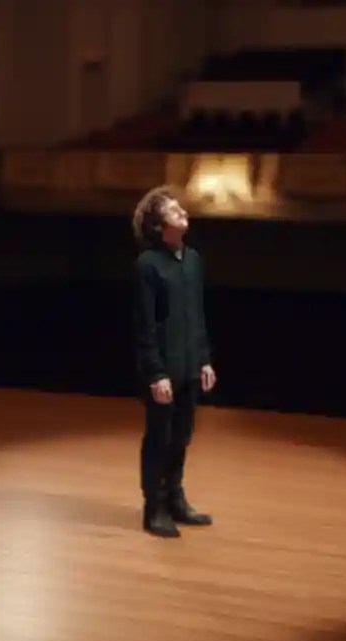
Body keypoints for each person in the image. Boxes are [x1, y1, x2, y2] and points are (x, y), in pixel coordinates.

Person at [131, 186, 216, 538]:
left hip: (188, 367)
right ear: (157, 225)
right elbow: (145, 325)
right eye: (172, 209)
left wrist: (204, 360)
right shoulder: (148, 265)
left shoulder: (193, 260)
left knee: (181, 436)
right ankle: (154, 508)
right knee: (159, 438)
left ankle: (175, 498)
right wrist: (156, 373)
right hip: (162, 373)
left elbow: (197, 316)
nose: (182, 211)